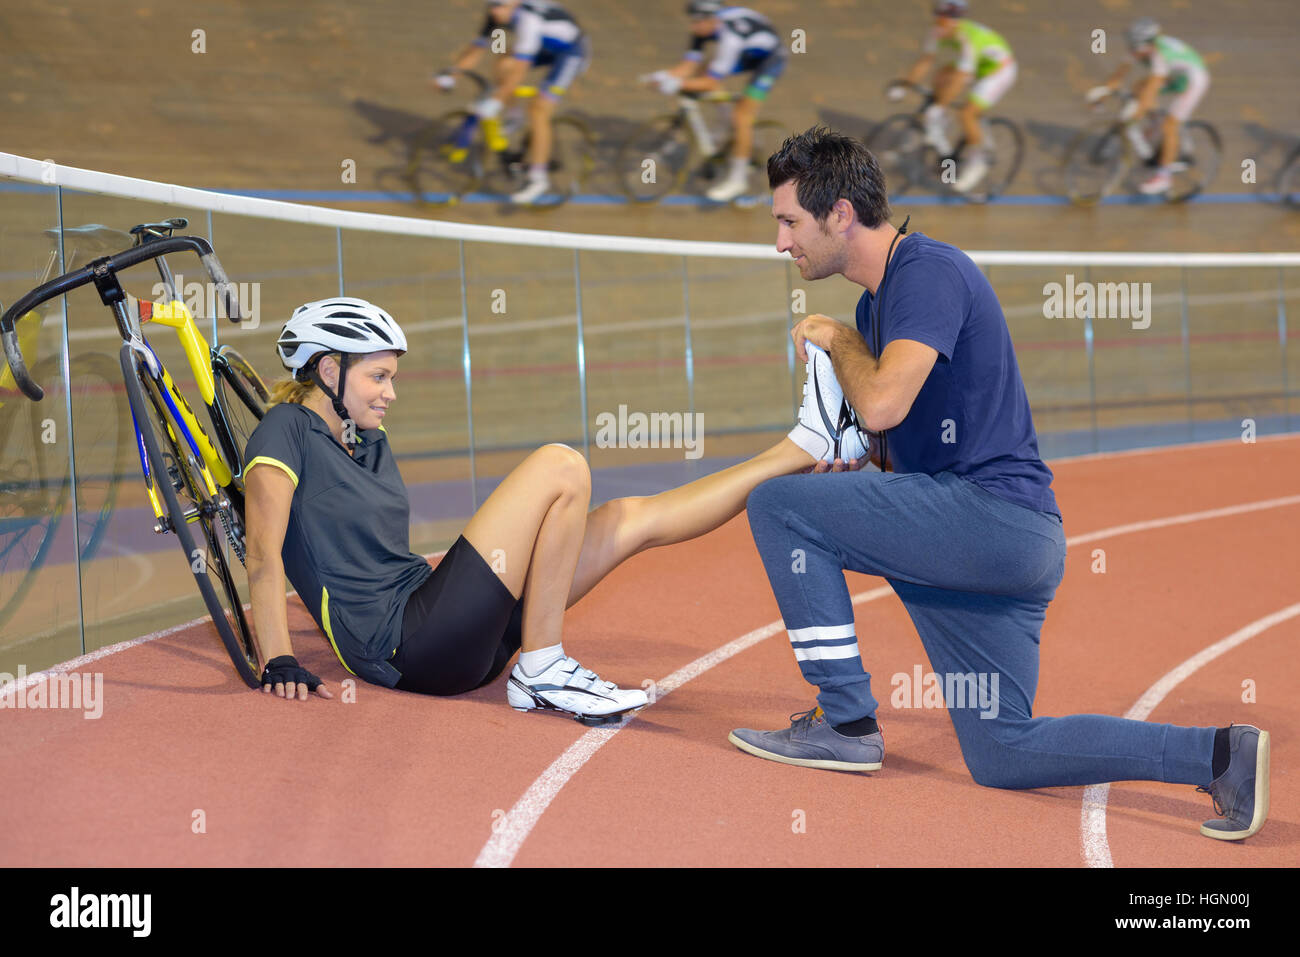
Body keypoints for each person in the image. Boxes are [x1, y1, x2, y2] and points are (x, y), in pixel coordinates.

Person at [728, 126, 1270, 842]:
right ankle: (1220, 753)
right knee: (1002, 750)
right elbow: (898, 443)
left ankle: (845, 719)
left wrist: (842, 344)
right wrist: (852, 465)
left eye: (789, 221)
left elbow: (884, 400)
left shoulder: (925, 272)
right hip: (987, 547)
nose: (780, 242)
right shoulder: (875, 309)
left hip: (991, 520)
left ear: (841, 215)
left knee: (776, 506)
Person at [241, 296, 866, 723]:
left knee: (628, 519)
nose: (391, 393)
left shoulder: (366, 440)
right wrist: (278, 658)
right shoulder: (284, 430)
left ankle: (803, 444)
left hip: (451, 630)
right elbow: (265, 555)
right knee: (561, 465)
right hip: (406, 646)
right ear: (328, 369)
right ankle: (541, 668)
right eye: (378, 377)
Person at [434, 0, 590, 205]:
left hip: (570, 54)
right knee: (503, 60)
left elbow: (519, 72)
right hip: (544, 46)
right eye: (492, 5)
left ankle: (538, 178)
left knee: (538, 109)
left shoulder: (529, 21)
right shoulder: (497, 14)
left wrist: (496, 102)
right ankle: (514, 116)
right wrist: (451, 75)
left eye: (500, 6)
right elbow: (477, 48)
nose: (495, 11)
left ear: (514, 4)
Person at [646, 1, 787, 203]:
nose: (693, 28)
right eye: (692, 21)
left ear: (712, 20)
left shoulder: (731, 39)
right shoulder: (705, 27)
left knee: (742, 115)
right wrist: (663, 76)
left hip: (769, 61)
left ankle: (738, 179)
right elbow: (687, 67)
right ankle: (725, 122)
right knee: (702, 73)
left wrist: (677, 84)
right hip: (747, 51)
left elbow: (710, 81)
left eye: (698, 23)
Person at [890, 0, 1017, 193]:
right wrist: (905, 86)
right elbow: (925, 60)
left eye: (950, 19)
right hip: (979, 66)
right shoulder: (937, 31)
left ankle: (979, 160)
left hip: (999, 71)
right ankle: (942, 126)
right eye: (941, 18)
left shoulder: (968, 38)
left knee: (966, 113)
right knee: (941, 76)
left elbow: (961, 77)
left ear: (958, 21)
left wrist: (940, 106)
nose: (944, 23)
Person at [1086, 17, 1210, 196]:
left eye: (1136, 48)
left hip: (1193, 80)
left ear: (1149, 45)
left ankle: (1164, 176)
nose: (1133, 52)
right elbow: (1118, 76)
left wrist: (1137, 114)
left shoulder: (1160, 57)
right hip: (1175, 74)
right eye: (1131, 46)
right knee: (1138, 88)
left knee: (1169, 125)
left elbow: (1151, 90)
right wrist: (1102, 93)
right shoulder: (1138, 48)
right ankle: (1155, 126)